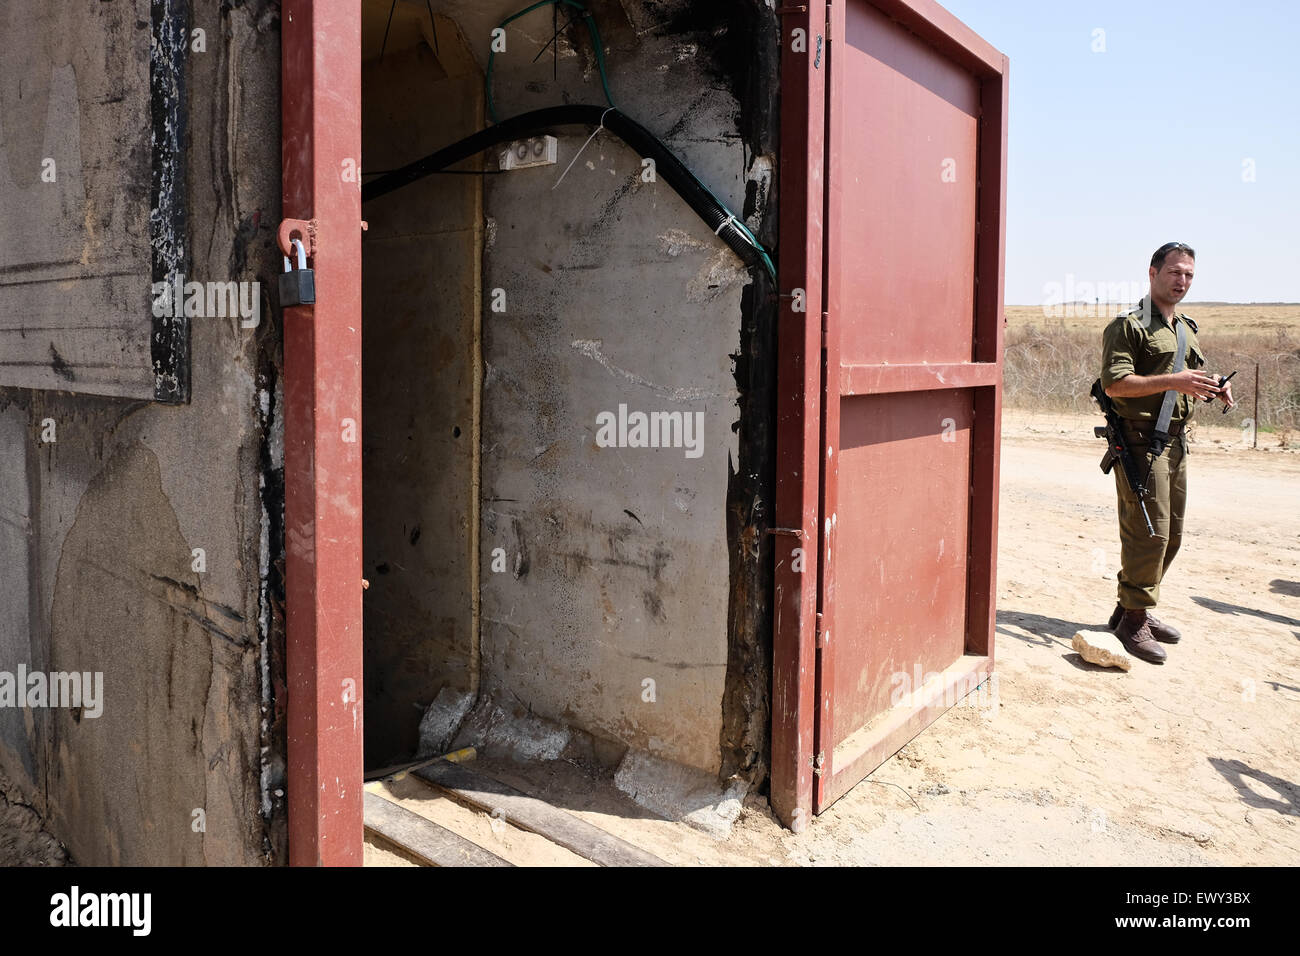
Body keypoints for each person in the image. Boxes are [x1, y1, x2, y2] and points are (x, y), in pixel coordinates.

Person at [1098, 242, 1235, 663]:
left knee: (1171, 534)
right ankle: (1135, 619)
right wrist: (1175, 382)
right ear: (1153, 272)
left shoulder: (1184, 327)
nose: (1182, 281)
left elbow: (1185, 374)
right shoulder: (1129, 326)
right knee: (1149, 531)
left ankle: (1129, 609)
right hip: (1140, 442)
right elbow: (1115, 384)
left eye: (1189, 275)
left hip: (1175, 441)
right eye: (1175, 272)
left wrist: (1212, 384)